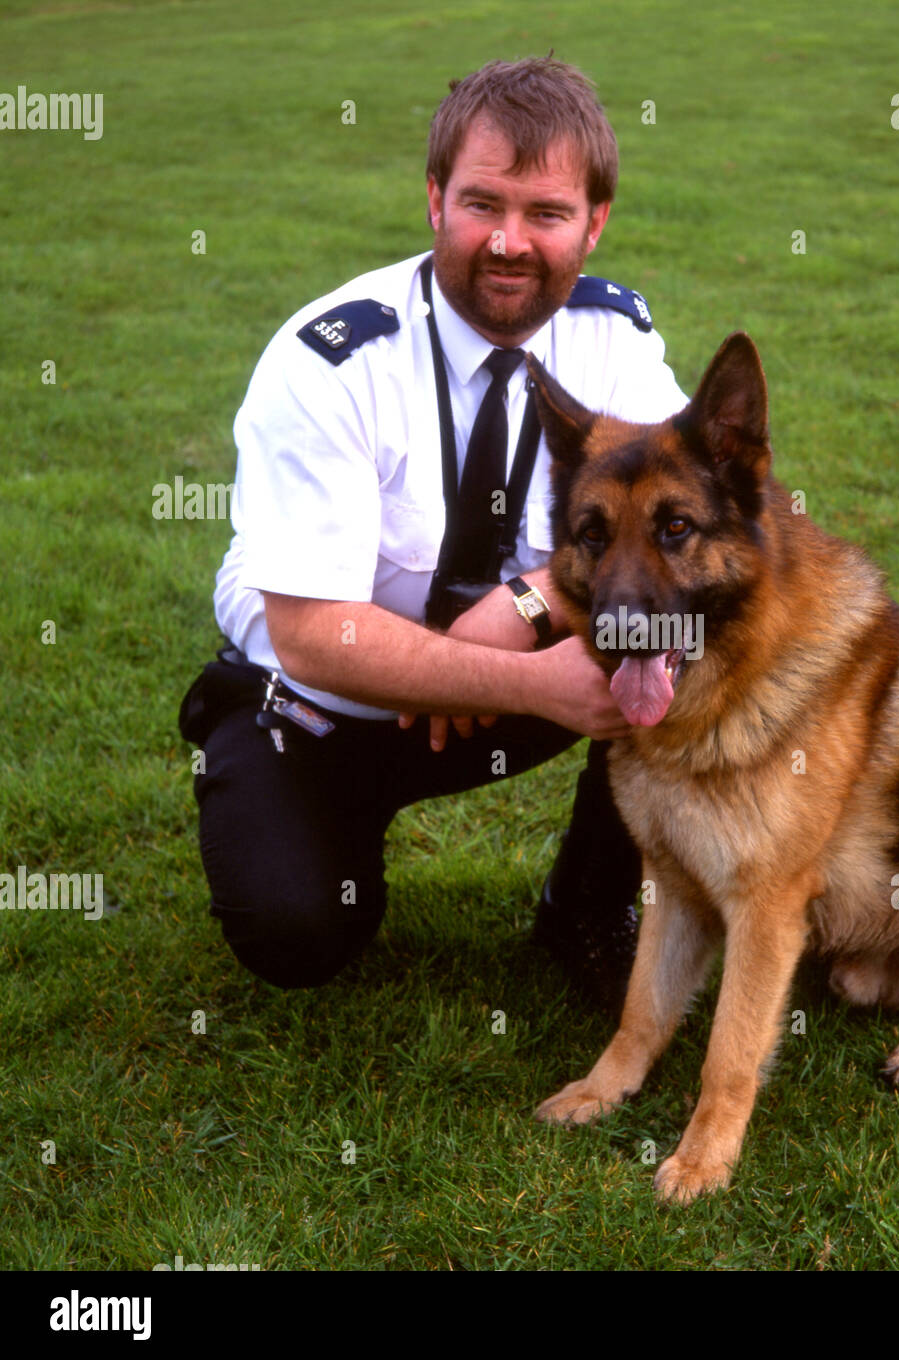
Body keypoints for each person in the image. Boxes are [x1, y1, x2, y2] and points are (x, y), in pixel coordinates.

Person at [177, 56, 688, 1008]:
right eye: (481, 204)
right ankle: (317, 821)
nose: (509, 243)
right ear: (433, 200)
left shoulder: (610, 339)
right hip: (319, 709)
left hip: (510, 695)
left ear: (595, 222)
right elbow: (308, 633)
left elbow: (695, 531)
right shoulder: (331, 359)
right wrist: (531, 677)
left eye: (546, 213)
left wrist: (528, 602)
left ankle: (588, 903)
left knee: (675, 633)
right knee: (297, 934)